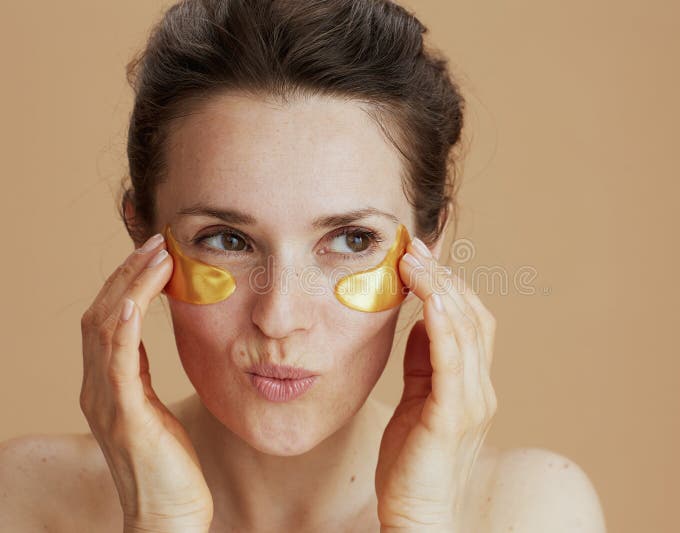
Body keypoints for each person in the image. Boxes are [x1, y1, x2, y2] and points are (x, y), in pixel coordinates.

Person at [0, 1, 607, 531]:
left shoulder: (529, 510)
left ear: (430, 244)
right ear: (143, 235)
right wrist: (161, 522)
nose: (279, 318)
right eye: (226, 240)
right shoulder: (27, 499)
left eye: (350, 240)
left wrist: (422, 521)